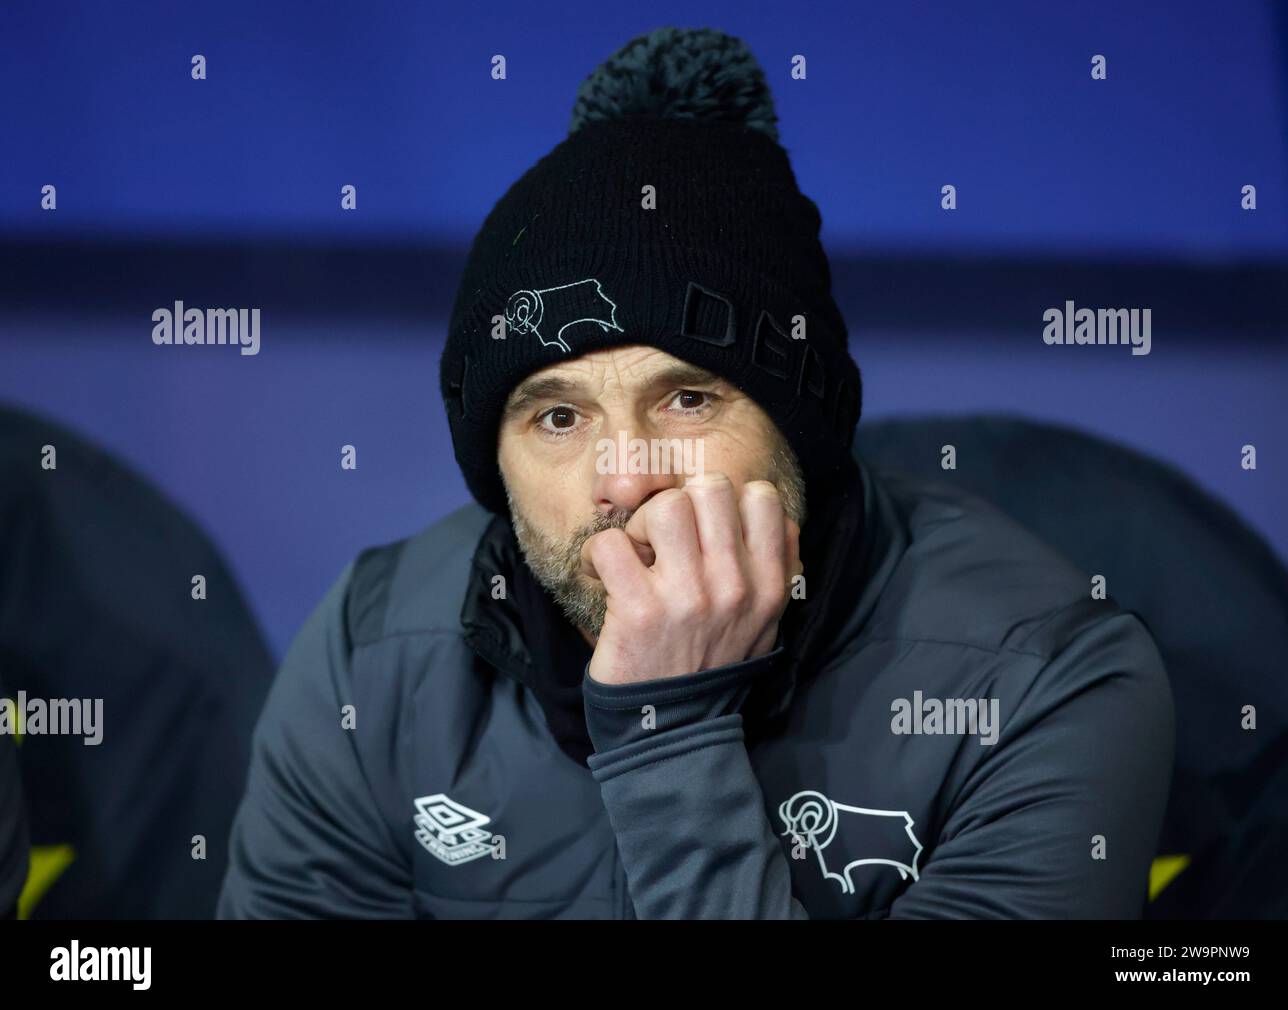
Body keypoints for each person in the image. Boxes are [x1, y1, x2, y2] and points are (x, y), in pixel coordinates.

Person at [218, 26, 1174, 919]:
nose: (627, 477)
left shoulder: (1044, 688)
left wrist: (665, 733)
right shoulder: (372, 654)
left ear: (800, 428)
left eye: (687, 400)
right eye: (558, 416)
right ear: (494, 467)